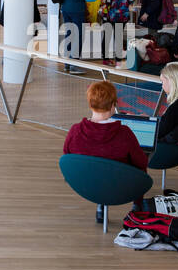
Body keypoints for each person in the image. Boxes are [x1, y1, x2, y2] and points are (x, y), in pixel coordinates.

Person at [62, 80, 150, 223]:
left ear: (90, 104)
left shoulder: (75, 131)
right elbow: (142, 162)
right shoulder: (124, 133)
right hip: (119, 187)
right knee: (140, 167)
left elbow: (67, 155)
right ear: (113, 105)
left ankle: (101, 206)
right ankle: (137, 205)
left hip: (88, 185)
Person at [60, 0, 99, 72]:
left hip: (65, 7)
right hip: (77, 8)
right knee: (78, 35)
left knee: (69, 33)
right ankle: (74, 65)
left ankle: (67, 61)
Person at [96, 0, 137, 64]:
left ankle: (105, 60)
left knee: (107, 36)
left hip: (109, 15)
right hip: (122, 15)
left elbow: (104, 0)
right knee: (118, 37)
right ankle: (118, 59)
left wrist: (103, 13)